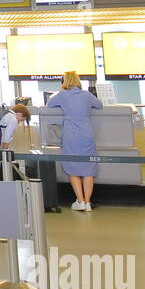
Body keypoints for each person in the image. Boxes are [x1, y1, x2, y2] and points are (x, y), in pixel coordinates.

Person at [48, 71, 102, 211]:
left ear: (64, 82)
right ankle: (88, 203)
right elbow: (99, 105)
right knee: (88, 168)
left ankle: (80, 201)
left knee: (72, 168)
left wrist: (61, 91)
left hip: (71, 135)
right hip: (87, 134)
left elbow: (49, 104)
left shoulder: (63, 95)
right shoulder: (87, 95)